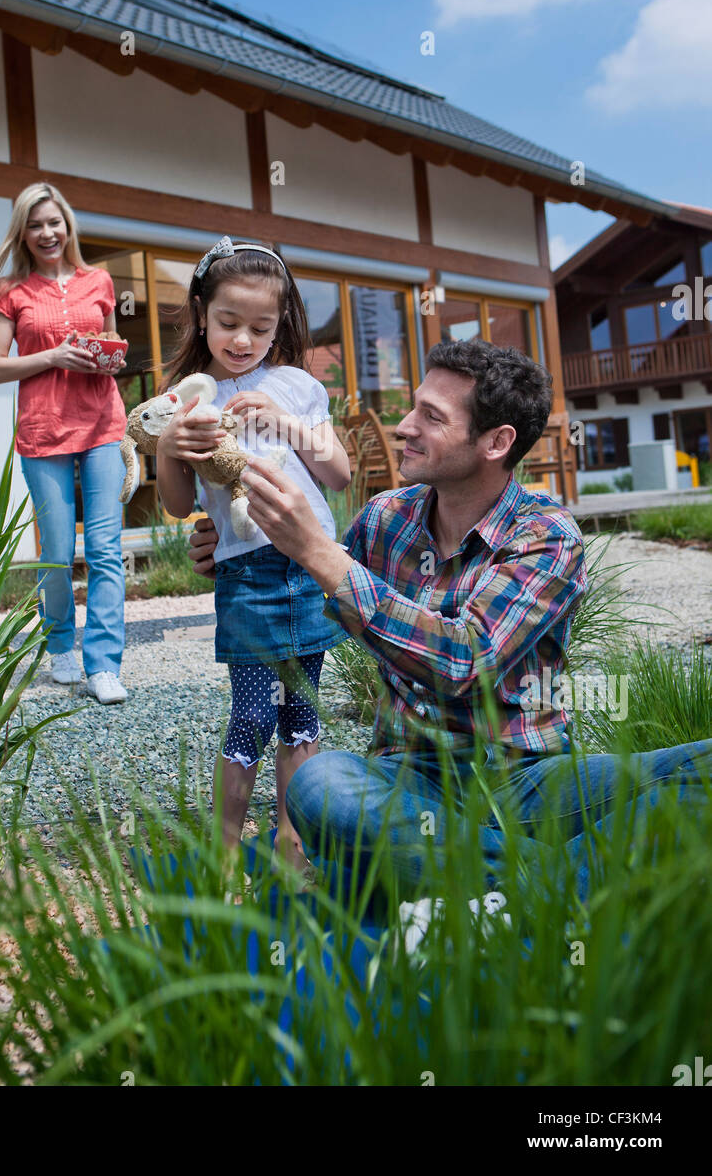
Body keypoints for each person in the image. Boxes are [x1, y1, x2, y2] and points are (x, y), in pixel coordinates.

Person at [188, 339, 712, 903]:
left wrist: (317, 551)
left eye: (431, 417)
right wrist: (247, 559)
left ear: (496, 441)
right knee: (318, 787)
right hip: (411, 781)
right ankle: (569, 883)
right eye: (413, 407)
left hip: (528, 782)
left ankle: (506, 882)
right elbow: (319, 596)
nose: (404, 426)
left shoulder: (546, 535)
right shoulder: (385, 517)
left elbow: (465, 661)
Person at [156, 236, 351, 878]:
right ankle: (224, 851)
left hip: (308, 564)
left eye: (261, 328)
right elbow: (177, 502)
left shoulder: (294, 385)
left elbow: (340, 473)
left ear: (280, 326)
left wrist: (286, 422)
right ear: (203, 315)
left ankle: (292, 844)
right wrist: (167, 448)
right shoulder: (189, 397)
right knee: (252, 711)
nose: (243, 340)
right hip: (246, 572)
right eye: (229, 323)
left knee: (303, 710)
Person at [0, 182, 129, 705]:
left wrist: (107, 358)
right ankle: (60, 645)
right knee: (57, 554)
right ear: (22, 233)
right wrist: (52, 357)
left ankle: (105, 665)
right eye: (35, 224)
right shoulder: (10, 291)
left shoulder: (100, 281)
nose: (47, 233)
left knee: (107, 550)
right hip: (43, 432)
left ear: (68, 226)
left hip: (102, 425)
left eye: (54, 222)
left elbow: (112, 348)